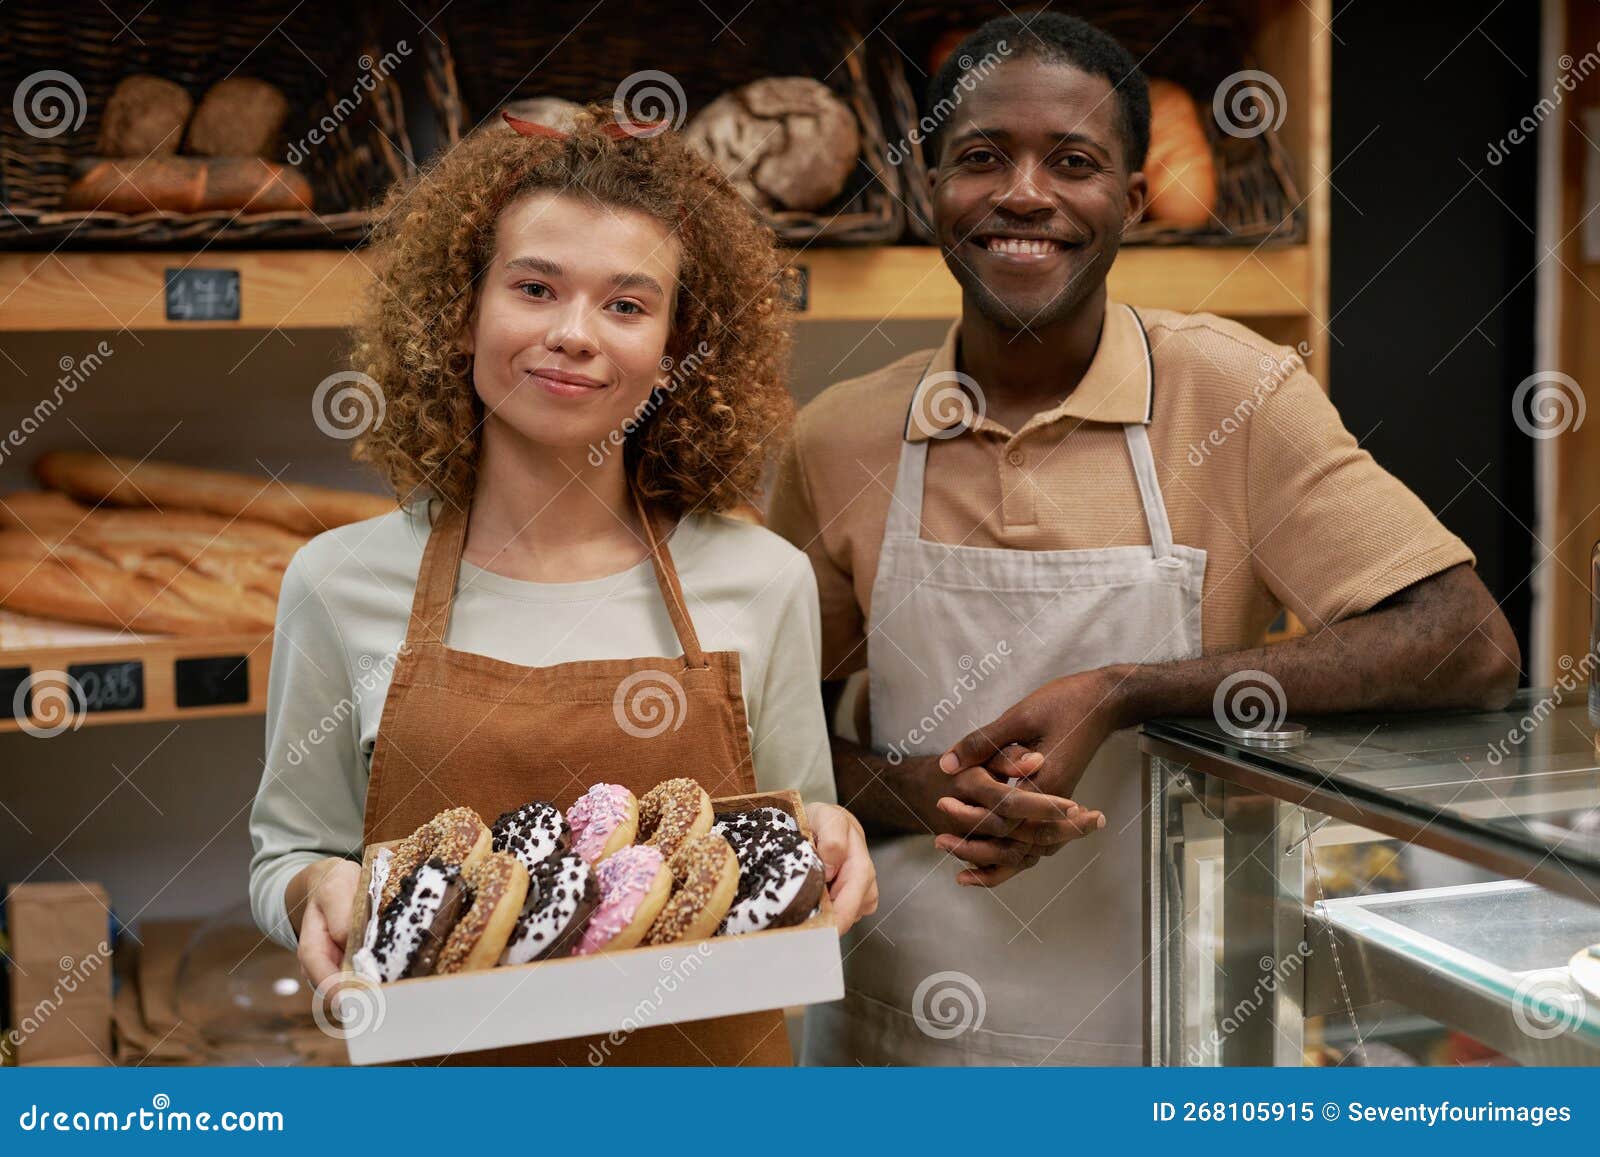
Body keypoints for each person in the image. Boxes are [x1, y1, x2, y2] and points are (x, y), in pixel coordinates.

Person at [769, 13, 1519, 1066]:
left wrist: (1126, 689)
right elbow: (778, 728)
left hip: (1166, 1028)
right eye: (981, 157)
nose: (1024, 192)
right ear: (929, 190)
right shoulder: (838, 433)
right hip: (899, 1033)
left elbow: (1466, 642)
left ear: (1128, 202)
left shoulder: (1235, 391)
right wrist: (937, 793)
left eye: (1071, 162)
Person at [249, 105, 876, 1066]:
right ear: (463, 312)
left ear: (675, 350)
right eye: (536, 287)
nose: (575, 334)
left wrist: (835, 841)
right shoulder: (338, 582)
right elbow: (289, 851)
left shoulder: (763, 579)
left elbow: (795, 839)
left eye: (628, 305)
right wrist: (309, 894)